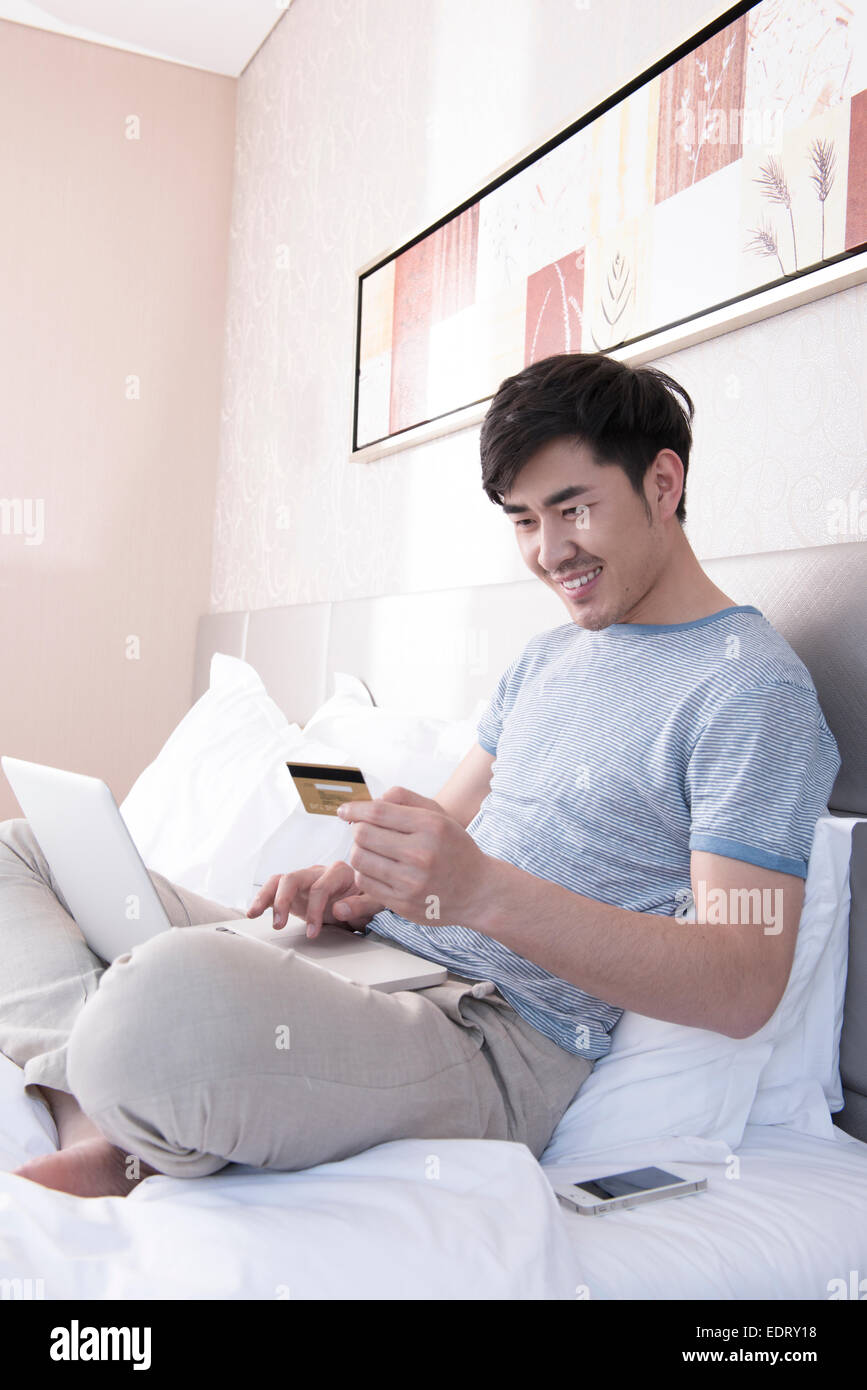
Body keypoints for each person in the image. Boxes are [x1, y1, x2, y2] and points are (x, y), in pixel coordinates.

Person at [2, 351, 840, 1199]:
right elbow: (443, 835)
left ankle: (129, 1076)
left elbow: (742, 981)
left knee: (155, 1008)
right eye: (521, 521)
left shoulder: (748, 688)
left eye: (572, 509)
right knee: (20, 852)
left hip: (491, 1036)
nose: (549, 553)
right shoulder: (547, 658)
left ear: (663, 483)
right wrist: (365, 882)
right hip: (374, 961)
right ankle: (98, 1102)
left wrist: (482, 894)